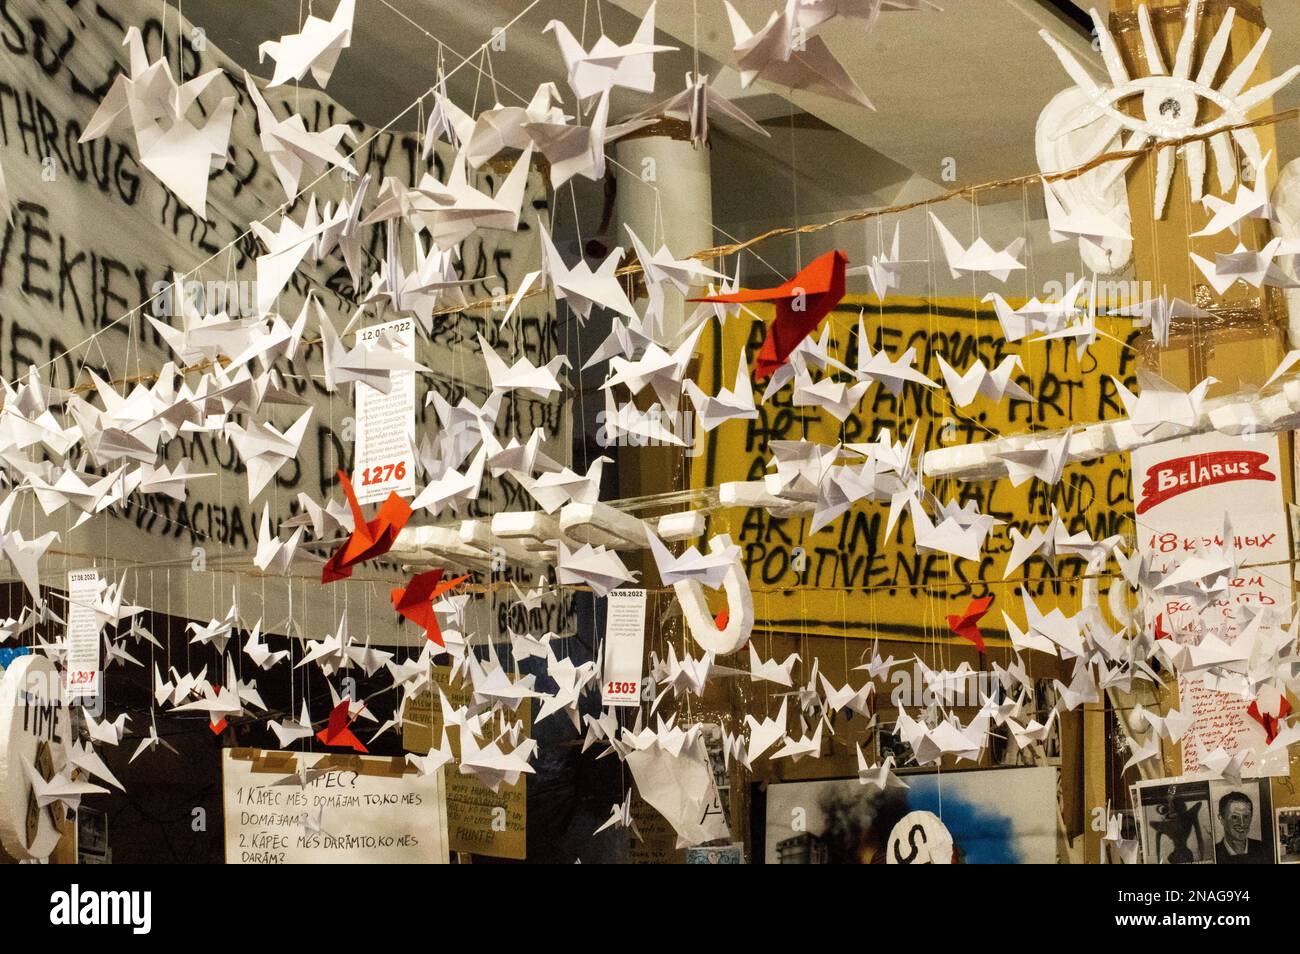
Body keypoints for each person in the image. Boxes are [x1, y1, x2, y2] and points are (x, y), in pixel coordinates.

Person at [1214, 791, 1270, 864]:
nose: (1242, 823)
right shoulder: (1214, 854)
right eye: (1235, 817)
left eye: (1246, 816)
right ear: (1222, 819)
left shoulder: (1264, 850)